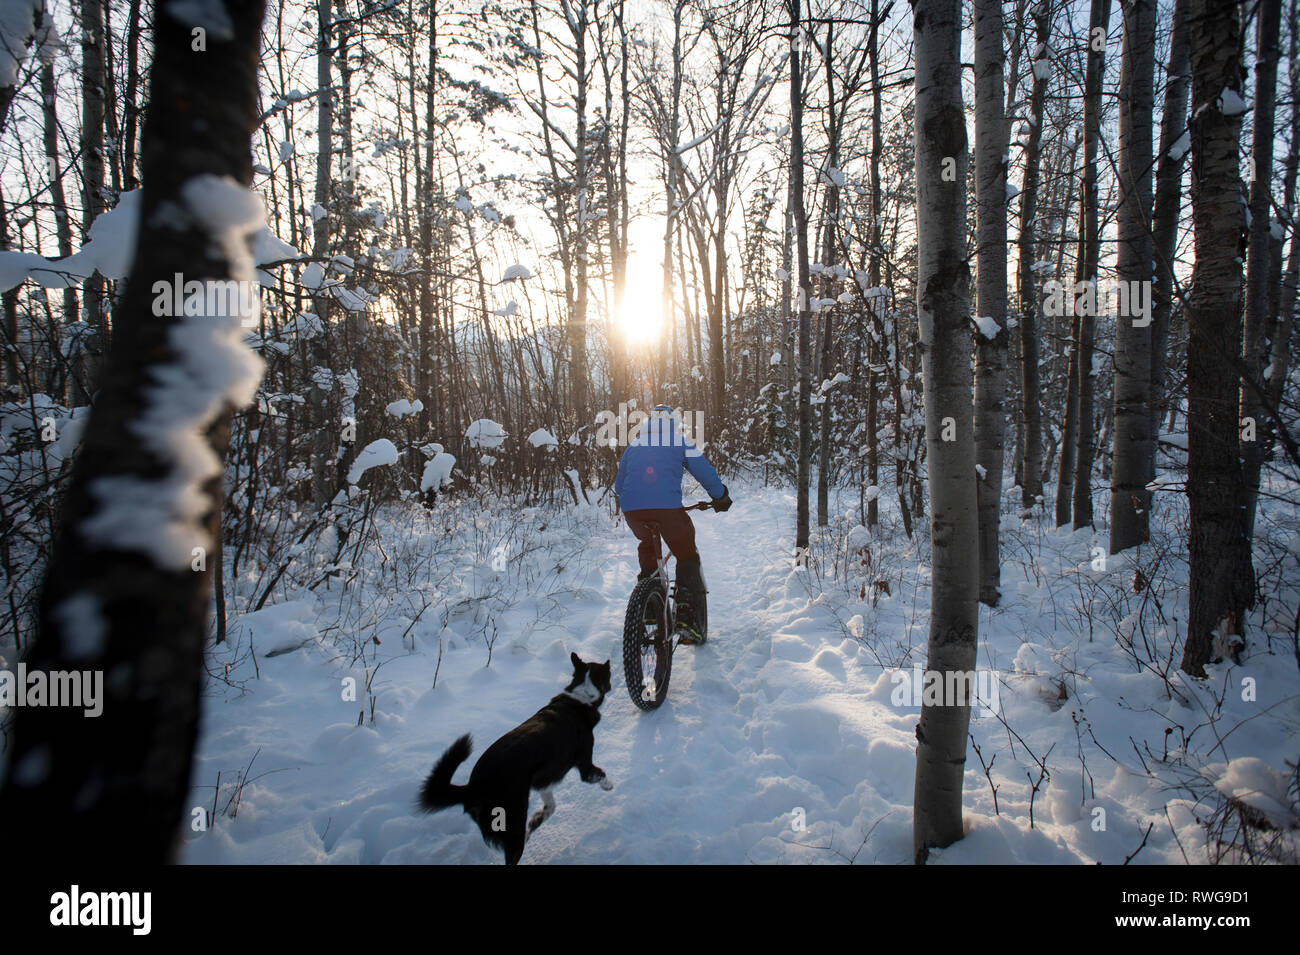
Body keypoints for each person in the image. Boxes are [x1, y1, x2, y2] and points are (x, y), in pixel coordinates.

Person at [614, 404, 732, 645]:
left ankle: (648, 606)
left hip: (633, 511)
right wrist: (720, 496)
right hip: (667, 510)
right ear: (671, 422)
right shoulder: (678, 441)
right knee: (686, 553)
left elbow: (618, 486)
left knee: (648, 544)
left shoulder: (634, 444)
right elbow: (704, 472)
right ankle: (688, 620)